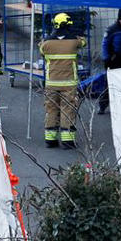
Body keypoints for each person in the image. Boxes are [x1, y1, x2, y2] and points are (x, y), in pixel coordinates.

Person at [39, 12, 86, 149]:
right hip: (68, 83)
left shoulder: (46, 44)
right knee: (68, 109)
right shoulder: (74, 42)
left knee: (51, 108)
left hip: (51, 83)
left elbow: (41, 49)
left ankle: (50, 139)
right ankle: (67, 140)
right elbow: (83, 42)